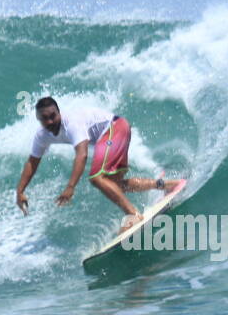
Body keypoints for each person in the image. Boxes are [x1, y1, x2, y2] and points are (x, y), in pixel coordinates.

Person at [14, 97, 170, 231]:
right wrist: (20, 191)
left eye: (53, 116)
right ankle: (165, 185)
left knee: (96, 178)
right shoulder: (42, 136)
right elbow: (32, 162)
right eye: (44, 118)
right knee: (114, 185)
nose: (49, 121)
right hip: (115, 131)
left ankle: (133, 214)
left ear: (59, 112)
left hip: (115, 128)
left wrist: (70, 187)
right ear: (38, 119)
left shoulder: (71, 124)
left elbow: (82, 155)